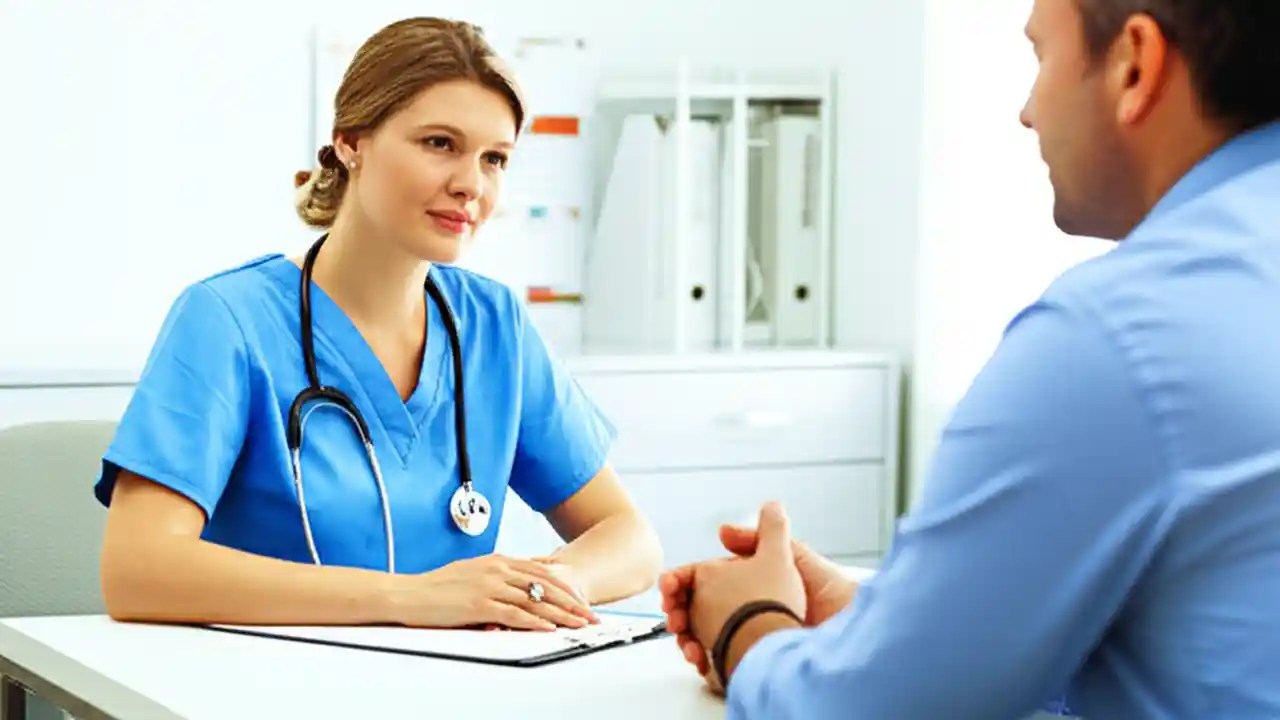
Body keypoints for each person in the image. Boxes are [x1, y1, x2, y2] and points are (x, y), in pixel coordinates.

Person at [660, 0, 1280, 717]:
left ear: (1135, 65)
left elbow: (863, 712)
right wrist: (893, 621)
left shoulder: (1119, 338)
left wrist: (752, 626)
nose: (1026, 111)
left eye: (1041, 58)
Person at [95, 17, 661, 632]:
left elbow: (629, 538)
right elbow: (138, 568)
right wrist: (411, 600)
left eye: (494, 158)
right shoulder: (228, 321)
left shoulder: (494, 325)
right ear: (351, 141)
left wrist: (542, 587)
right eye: (439, 143)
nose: (470, 184)